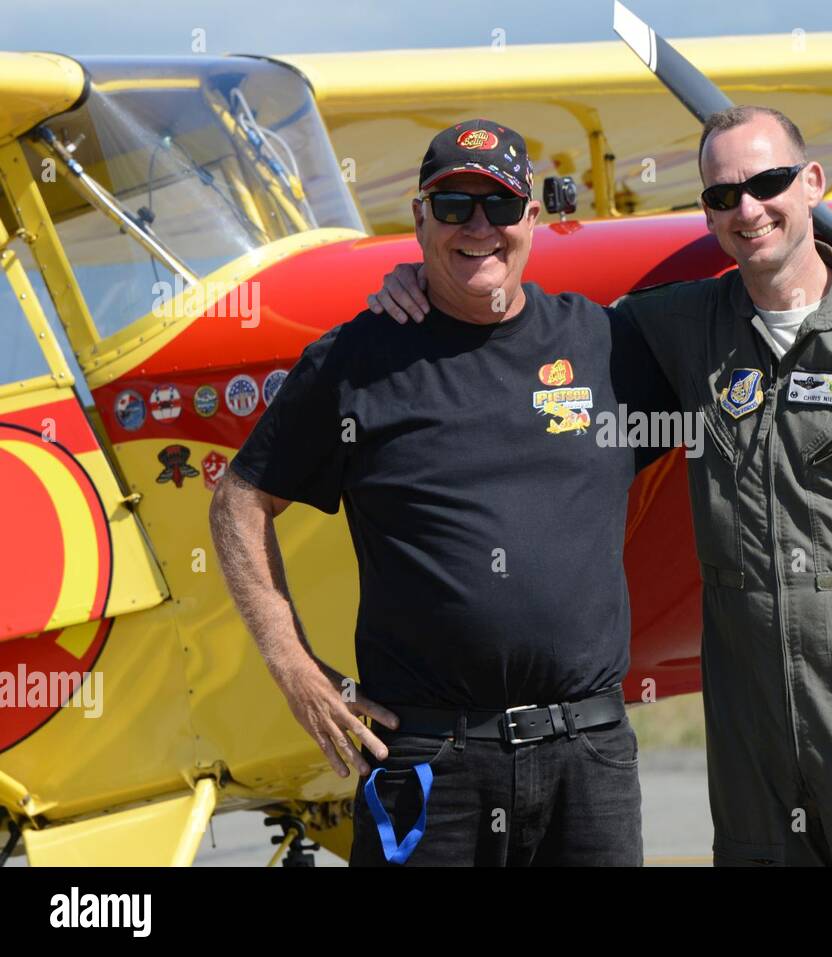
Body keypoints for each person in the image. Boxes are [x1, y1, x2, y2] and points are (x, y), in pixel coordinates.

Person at [371, 108, 832, 868]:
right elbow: (535, 329)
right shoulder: (685, 328)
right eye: (722, 196)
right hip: (755, 763)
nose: (748, 210)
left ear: (812, 183)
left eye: (769, 183)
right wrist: (426, 278)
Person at [210, 120, 675, 866]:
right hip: (428, 759)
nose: (479, 227)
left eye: (500, 204)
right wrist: (293, 667)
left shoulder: (606, 346)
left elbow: (752, 341)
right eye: (455, 205)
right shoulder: (355, 361)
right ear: (419, 216)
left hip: (587, 758)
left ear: (532, 217)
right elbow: (239, 500)